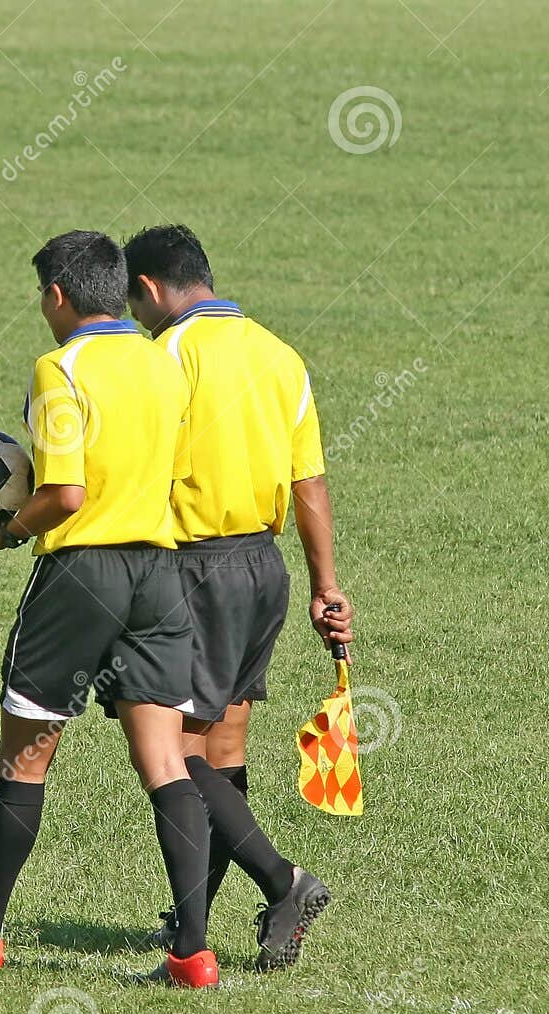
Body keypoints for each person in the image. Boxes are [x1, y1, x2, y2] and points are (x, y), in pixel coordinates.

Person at [0, 230, 220, 989]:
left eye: (40, 297)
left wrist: (1, 531)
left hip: (82, 575)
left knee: (27, 753)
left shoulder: (60, 369)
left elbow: (64, 495)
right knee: (164, 759)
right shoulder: (165, 364)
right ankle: (192, 952)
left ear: (58, 296)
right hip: (160, 573)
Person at [124, 223, 354, 971]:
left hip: (191, 570)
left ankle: (283, 881)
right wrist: (327, 587)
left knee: (168, 751)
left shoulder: (167, 355)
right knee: (220, 753)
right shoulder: (282, 356)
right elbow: (309, 482)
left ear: (152, 290)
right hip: (263, 569)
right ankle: (190, 925)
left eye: (136, 304)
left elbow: (136, 466)